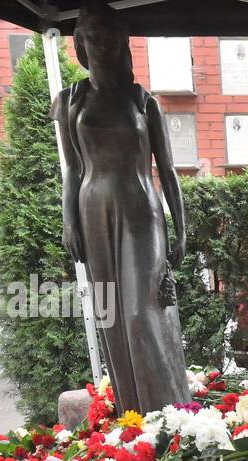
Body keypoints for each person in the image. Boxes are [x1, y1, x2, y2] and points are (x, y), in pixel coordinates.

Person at [56, 1, 189, 414]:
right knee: (110, 312)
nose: (101, 45)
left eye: (109, 36)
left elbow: (167, 171)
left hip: (140, 212)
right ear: (79, 42)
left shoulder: (143, 102)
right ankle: (132, 412)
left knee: (141, 312)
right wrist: (69, 223)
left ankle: (168, 409)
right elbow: (73, 169)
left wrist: (181, 229)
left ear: (122, 41)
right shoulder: (70, 101)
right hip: (93, 209)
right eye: (92, 36)